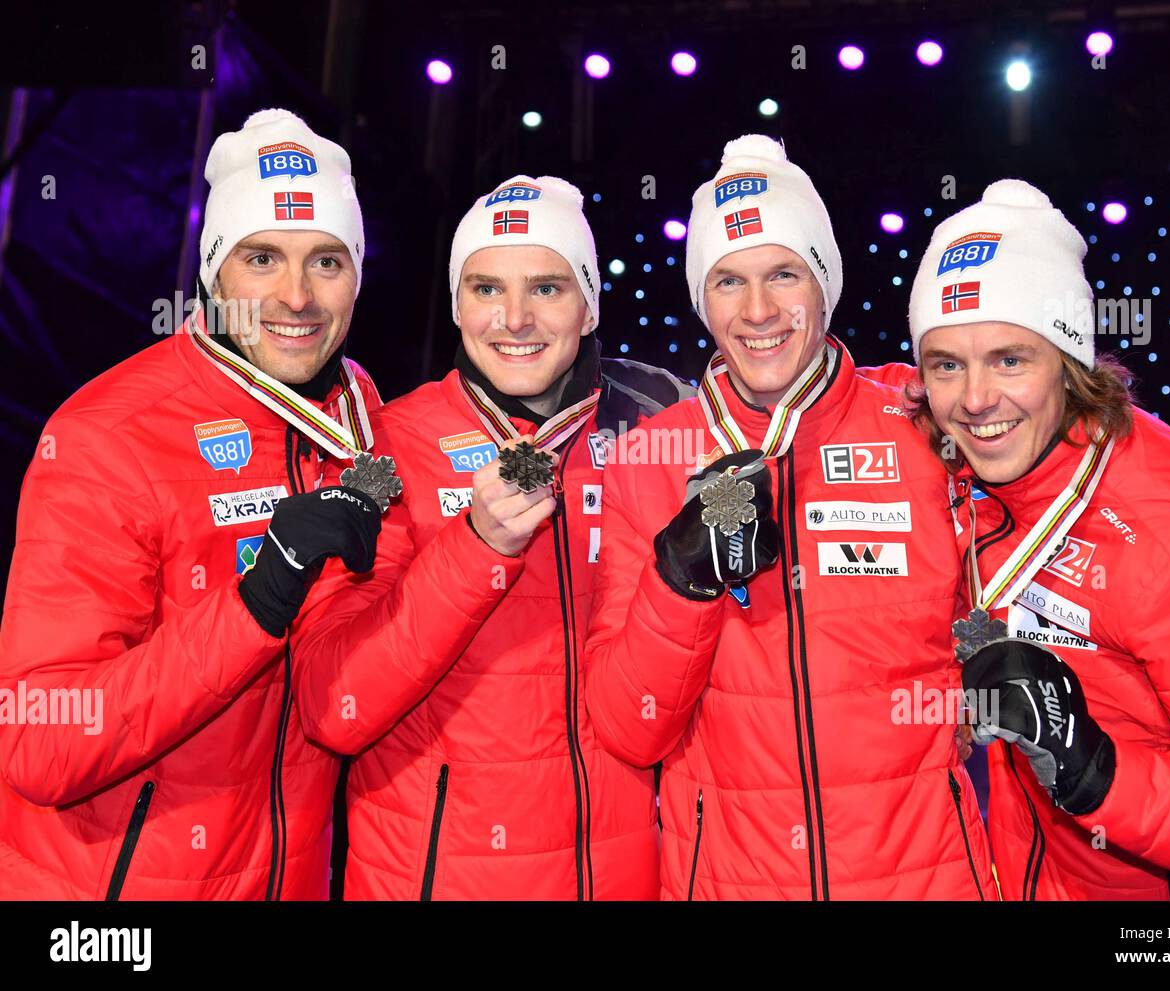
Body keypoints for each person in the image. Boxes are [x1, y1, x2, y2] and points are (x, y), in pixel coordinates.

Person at [583, 135, 995, 899]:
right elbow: (628, 727)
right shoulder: (650, 455)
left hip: (925, 874)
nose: (759, 311)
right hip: (732, 878)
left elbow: (1006, 584)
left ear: (825, 282)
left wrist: (983, 681)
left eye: (783, 274)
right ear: (702, 299)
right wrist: (682, 579)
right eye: (728, 281)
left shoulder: (917, 417)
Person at [0, 109, 384, 899]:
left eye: (327, 261)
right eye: (262, 257)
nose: (296, 296)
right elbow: (39, 741)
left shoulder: (358, 414)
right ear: (213, 271)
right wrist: (253, 606)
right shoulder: (109, 435)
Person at [290, 174, 689, 899]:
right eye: (484, 289)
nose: (514, 318)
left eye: (546, 287)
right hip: (439, 876)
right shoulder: (387, 445)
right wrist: (476, 548)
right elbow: (334, 709)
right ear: (456, 305)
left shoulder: (654, 430)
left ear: (590, 304)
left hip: (620, 873)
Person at [907, 177, 1170, 899]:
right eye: (946, 365)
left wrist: (1097, 772)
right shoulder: (987, 483)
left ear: (1071, 359)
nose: (975, 399)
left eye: (1010, 358)